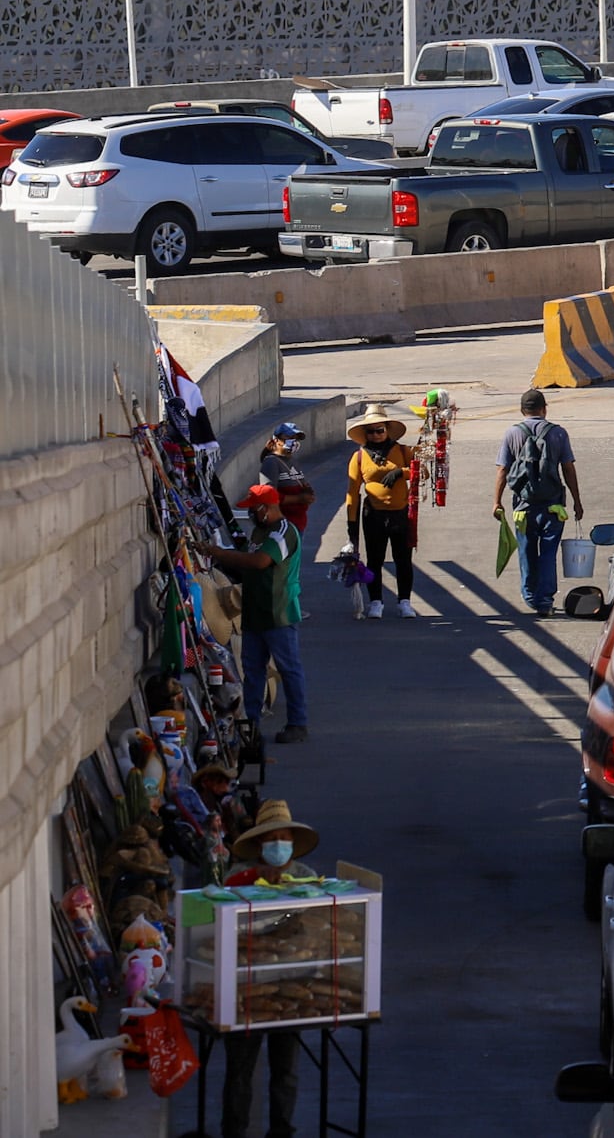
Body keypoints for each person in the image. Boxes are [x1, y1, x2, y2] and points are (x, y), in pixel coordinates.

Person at [219, 801, 320, 1138]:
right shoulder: (239, 874)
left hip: (291, 980)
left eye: (283, 837)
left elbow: (316, 923)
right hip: (246, 983)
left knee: (286, 1068)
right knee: (240, 1069)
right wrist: (256, 877)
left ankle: (282, 1130)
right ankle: (235, 1131)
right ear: (260, 845)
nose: (278, 844)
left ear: (292, 841)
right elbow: (223, 902)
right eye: (271, 839)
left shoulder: (306, 876)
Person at [204, 485, 308, 745]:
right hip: (254, 611)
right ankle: (251, 724)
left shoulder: (284, 532)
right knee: (252, 670)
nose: (251, 514)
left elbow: (261, 562)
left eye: (254, 509)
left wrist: (222, 555)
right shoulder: (260, 531)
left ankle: (297, 723)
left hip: (278, 612)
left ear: (267, 507)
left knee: (288, 668)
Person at [494, 389, 584, 617]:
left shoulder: (512, 433)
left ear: (522, 410)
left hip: (523, 508)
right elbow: (568, 468)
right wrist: (576, 500)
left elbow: (503, 469)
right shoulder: (558, 434)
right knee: (548, 553)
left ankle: (530, 595)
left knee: (526, 550)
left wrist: (496, 501)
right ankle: (545, 600)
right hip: (553, 506)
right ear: (544, 409)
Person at [344, 404, 416, 619]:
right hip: (373, 515)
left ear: (387, 430)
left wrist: (400, 473)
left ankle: (404, 601)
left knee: (403, 560)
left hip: (400, 514)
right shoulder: (358, 458)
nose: (375, 435)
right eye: (371, 431)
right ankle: (376, 602)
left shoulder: (403, 451)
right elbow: (353, 492)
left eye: (380, 430)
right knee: (375, 560)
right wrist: (352, 525)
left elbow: (422, 473)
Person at [258, 423, 314, 534]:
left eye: (296, 439)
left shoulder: (292, 461)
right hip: (283, 526)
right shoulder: (271, 462)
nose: (293, 441)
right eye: (289, 438)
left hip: (298, 523)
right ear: (277, 440)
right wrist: (298, 499)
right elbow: (268, 495)